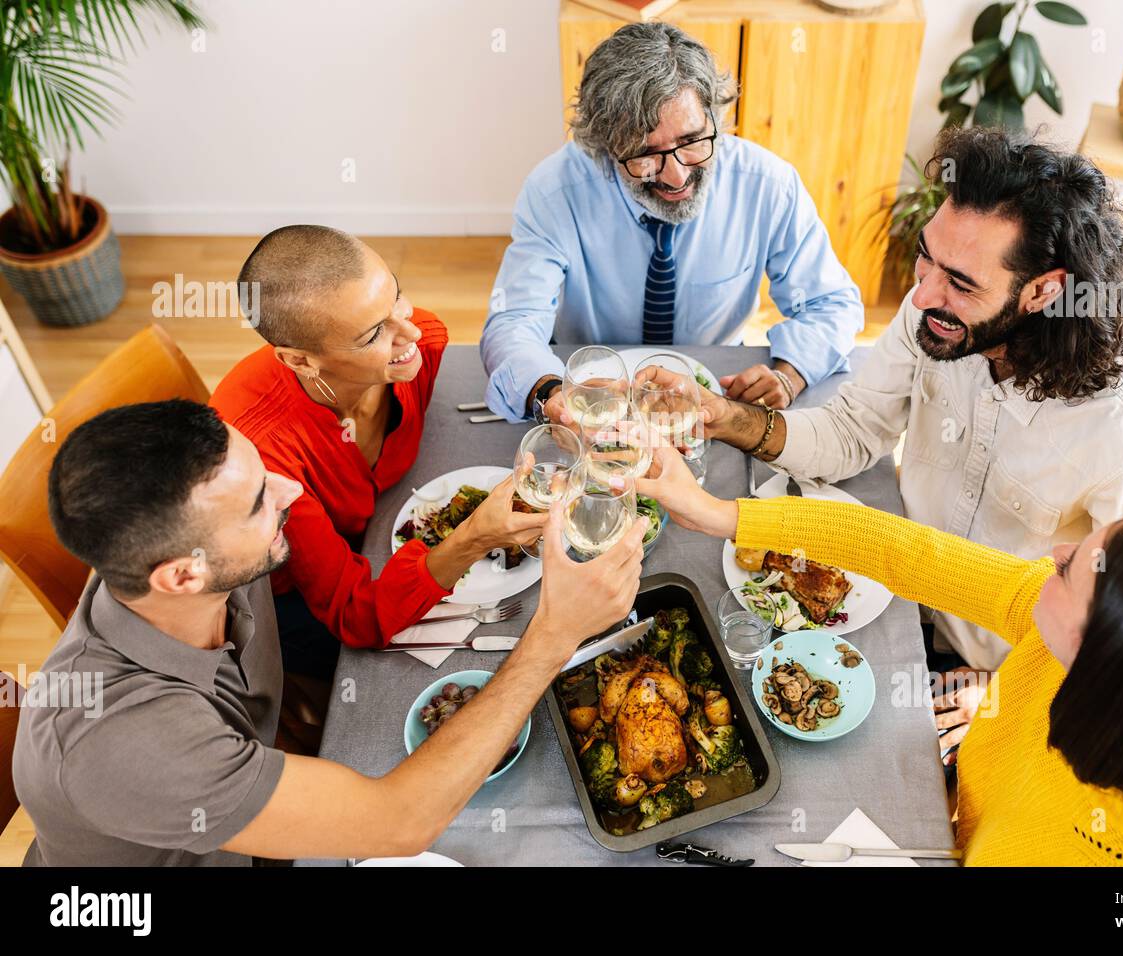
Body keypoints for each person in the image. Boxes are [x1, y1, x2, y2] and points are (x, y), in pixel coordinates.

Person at [671, 126, 1123, 749]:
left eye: (961, 281)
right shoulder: (940, 313)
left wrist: (1007, 695)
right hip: (883, 588)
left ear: (1044, 290)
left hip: (991, 677)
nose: (922, 293)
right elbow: (852, 429)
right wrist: (725, 417)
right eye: (927, 256)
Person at [13, 400, 646, 865]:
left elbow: (361, 614)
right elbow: (399, 826)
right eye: (260, 500)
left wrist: (475, 535)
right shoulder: (124, 742)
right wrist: (553, 636)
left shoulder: (197, 574)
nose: (289, 492)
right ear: (181, 575)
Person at [636, 445, 1123, 865]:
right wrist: (722, 514)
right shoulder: (1068, 642)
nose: (1053, 556)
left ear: (1100, 658)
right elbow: (910, 554)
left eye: (1073, 568)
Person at [480, 21, 863, 424]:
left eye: (692, 141)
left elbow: (830, 303)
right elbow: (514, 318)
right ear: (603, 148)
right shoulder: (554, 192)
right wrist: (550, 392)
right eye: (645, 155)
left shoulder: (768, 184)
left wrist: (790, 374)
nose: (677, 177)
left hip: (715, 392)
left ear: (714, 116)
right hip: (590, 393)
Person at [210, 225, 546, 684]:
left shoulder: (422, 343)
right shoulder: (263, 456)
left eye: (397, 298)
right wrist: (472, 539)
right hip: (279, 595)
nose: (409, 332)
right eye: (373, 334)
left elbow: (417, 332)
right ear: (300, 361)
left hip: (379, 537)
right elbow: (355, 617)